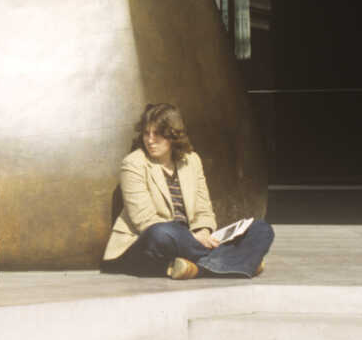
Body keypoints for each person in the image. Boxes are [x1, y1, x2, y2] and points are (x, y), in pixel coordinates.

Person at [100, 101, 274, 279]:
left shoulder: (192, 161)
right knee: (162, 232)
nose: (149, 140)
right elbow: (144, 221)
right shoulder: (133, 163)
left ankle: (199, 268)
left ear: (173, 135)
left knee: (261, 228)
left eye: (157, 134)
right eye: (146, 133)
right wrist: (193, 238)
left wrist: (204, 231)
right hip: (147, 243)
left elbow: (204, 209)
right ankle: (241, 262)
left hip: (190, 243)